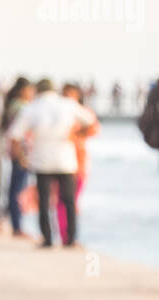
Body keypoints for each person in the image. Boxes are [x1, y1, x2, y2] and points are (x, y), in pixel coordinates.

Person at [7, 78, 98, 248]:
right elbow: (91, 121)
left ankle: (47, 239)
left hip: (42, 161)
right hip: (66, 159)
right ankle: (70, 239)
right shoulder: (67, 104)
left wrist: (20, 158)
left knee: (44, 201)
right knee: (68, 201)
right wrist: (77, 135)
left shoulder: (32, 107)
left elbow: (15, 135)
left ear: (38, 91)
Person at [57, 83, 98, 245]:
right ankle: (64, 235)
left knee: (72, 200)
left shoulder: (82, 113)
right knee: (62, 200)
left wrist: (75, 135)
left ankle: (71, 235)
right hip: (60, 161)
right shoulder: (60, 113)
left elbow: (94, 128)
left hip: (79, 163)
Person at [0, 76, 34, 238]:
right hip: (21, 152)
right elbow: (18, 134)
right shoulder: (22, 107)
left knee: (15, 188)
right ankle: (17, 226)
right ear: (22, 90)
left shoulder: (13, 105)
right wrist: (22, 156)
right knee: (17, 190)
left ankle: (5, 221)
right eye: (29, 89)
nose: (32, 93)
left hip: (16, 151)